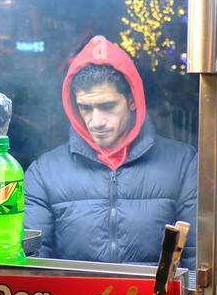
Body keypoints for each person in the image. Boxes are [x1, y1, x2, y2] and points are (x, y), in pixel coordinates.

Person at [24, 35, 197, 268]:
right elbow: (32, 262)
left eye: (107, 106)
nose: (96, 121)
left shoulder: (182, 164)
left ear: (132, 100)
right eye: (85, 108)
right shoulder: (44, 172)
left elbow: (195, 256)